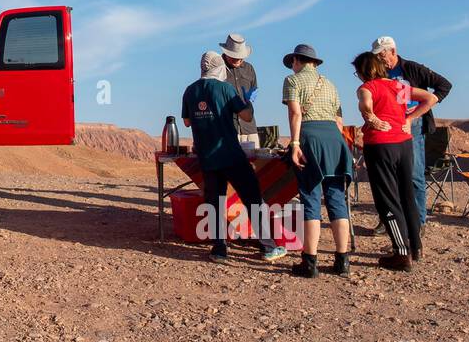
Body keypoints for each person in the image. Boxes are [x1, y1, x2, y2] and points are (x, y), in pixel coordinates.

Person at [181, 51, 287, 264]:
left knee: (215, 201)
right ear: (219, 68)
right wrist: (247, 101)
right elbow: (246, 116)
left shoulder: (190, 91)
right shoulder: (225, 88)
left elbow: (186, 122)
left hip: (207, 156)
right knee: (252, 197)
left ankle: (219, 248)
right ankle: (268, 246)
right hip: (230, 154)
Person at [353, 51, 439, 270]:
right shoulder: (398, 86)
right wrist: (409, 119)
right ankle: (416, 247)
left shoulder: (368, 87)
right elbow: (430, 98)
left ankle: (401, 253)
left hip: (381, 145)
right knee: (407, 194)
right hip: (404, 143)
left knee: (387, 200)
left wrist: (371, 117)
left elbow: (365, 103)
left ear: (364, 70)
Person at [281, 44, 355, 277]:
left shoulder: (292, 81)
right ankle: (342, 261)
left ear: (296, 61)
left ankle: (310, 262)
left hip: (310, 136)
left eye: (293, 62)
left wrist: (294, 144)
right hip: (334, 138)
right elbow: (339, 119)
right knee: (336, 199)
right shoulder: (331, 85)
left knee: (310, 198)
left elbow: (295, 113)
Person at [371, 36, 452, 231]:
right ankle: (390, 221)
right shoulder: (378, 72)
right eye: (377, 56)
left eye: (383, 55)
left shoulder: (413, 69)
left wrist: (419, 112)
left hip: (411, 125)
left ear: (393, 51)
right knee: (389, 175)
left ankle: (418, 222)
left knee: (414, 173)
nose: (381, 59)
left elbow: (444, 86)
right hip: (387, 125)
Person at [219, 33, 260, 150]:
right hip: (228, 128)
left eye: (241, 57)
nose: (238, 59)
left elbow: (254, 89)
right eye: (234, 56)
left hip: (249, 128)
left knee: (255, 165)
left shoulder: (249, 68)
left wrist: (250, 99)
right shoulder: (217, 69)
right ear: (226, 53)